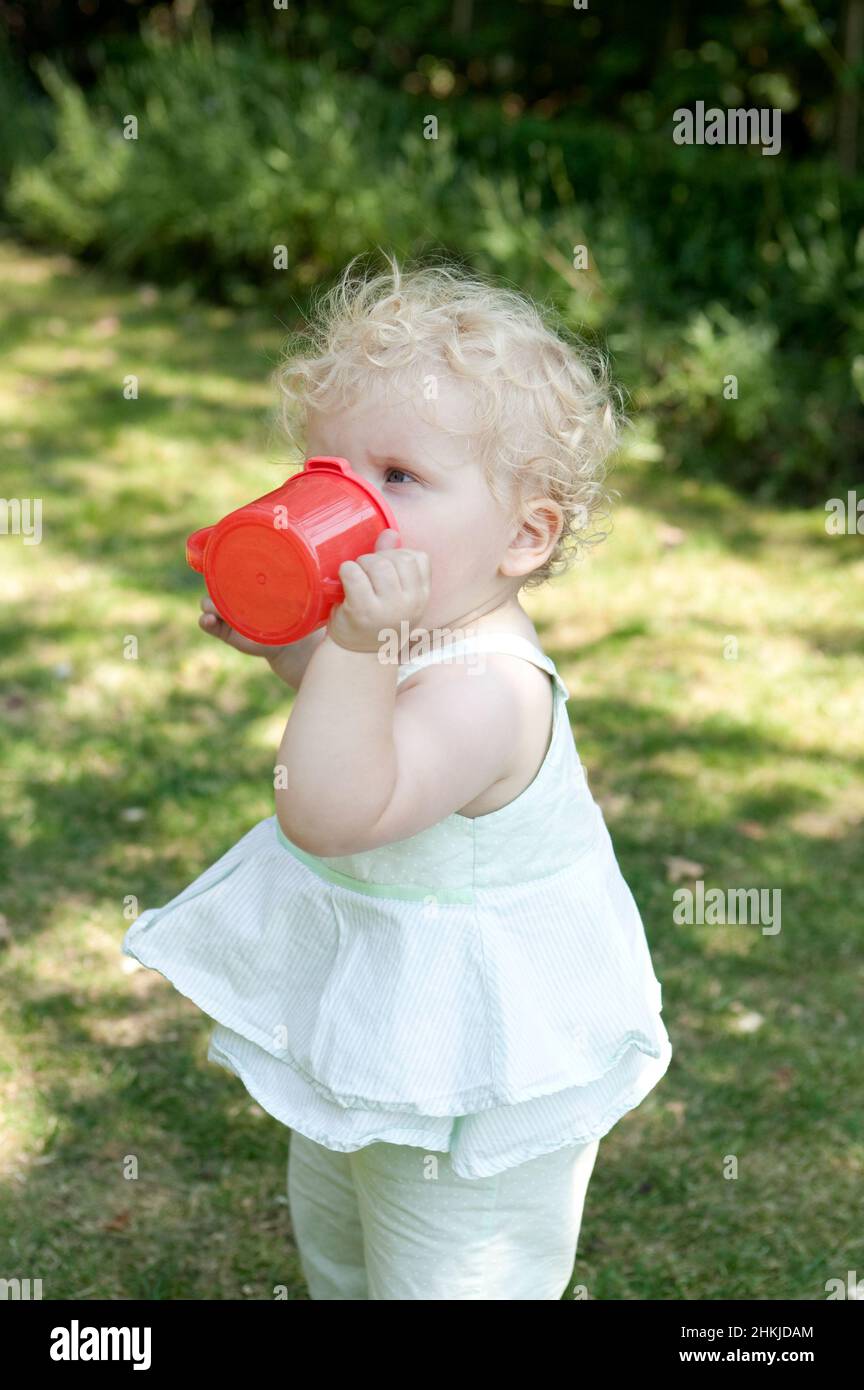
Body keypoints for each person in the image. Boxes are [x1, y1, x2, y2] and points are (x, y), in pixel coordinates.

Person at [121, 253, 673, 1300]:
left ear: (524, 536)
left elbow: (333, 807)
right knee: (339, 1239)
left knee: (447, 1272)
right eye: (327, 471)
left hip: (474, 1078)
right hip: (384, 1021)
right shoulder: (407, 627)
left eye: (399, 477)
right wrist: (291, 642)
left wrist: (356, 652)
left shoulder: (489, 694)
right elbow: (349, 708)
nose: (346, 504)